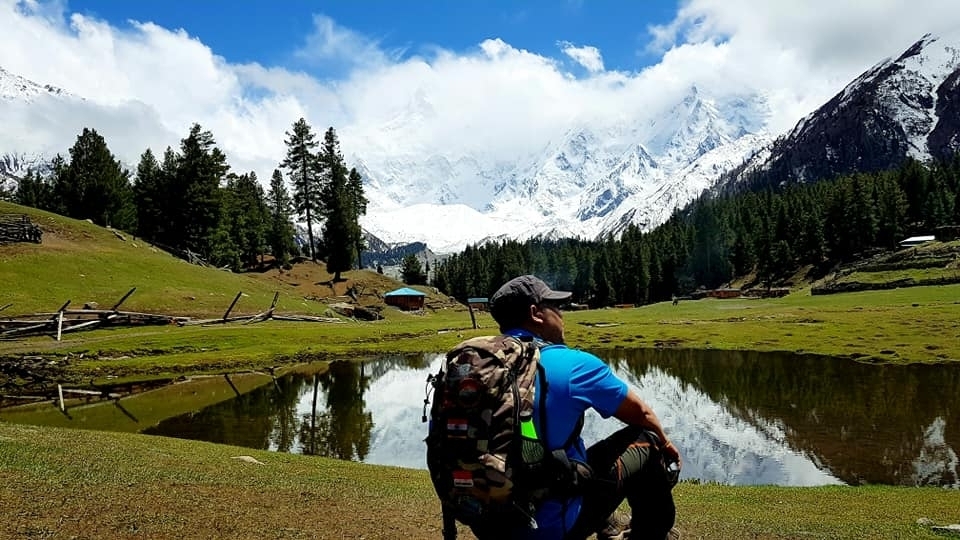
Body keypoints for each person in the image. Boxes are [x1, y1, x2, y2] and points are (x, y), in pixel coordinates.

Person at [479, 275, 681, 540]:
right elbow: (642, 414)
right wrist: (667, 446)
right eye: (556, 307)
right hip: (550, 527)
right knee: (647, 439)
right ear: (535, 314)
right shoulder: (572, 364)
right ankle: (651, 534)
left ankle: (608, 526)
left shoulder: (478, 369)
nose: (561, 314)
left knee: (566, 452)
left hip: (487, 522)